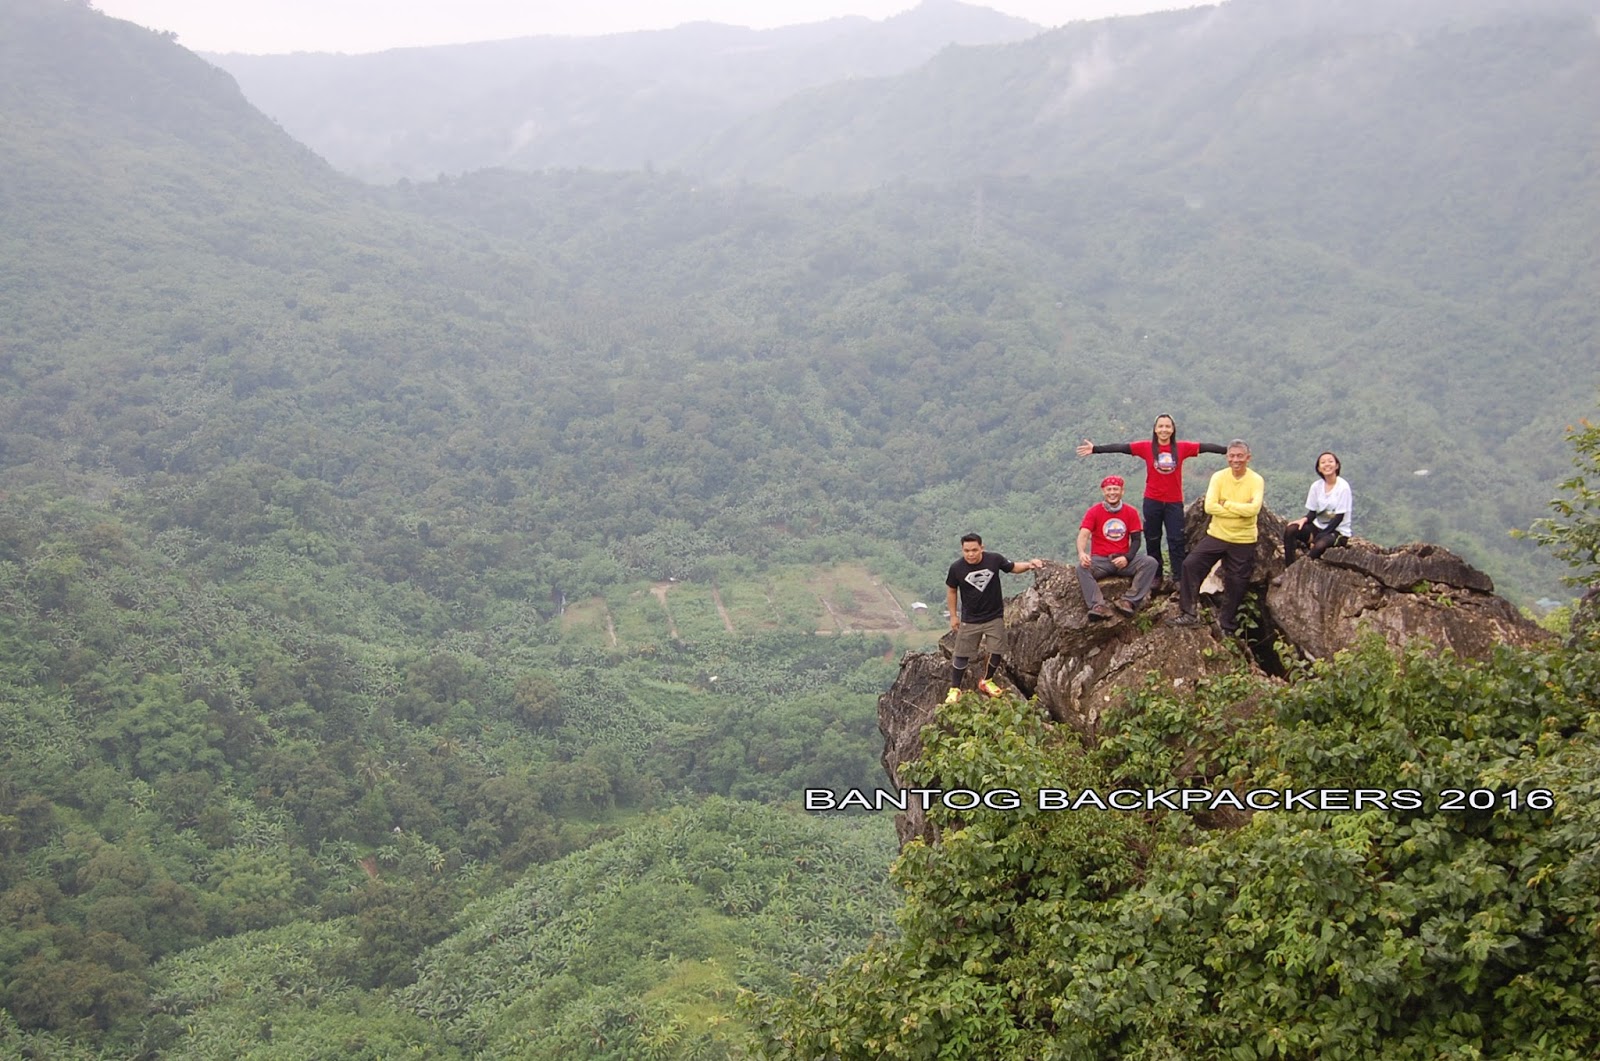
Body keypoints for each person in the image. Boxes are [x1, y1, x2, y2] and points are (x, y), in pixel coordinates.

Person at [1076, 415, 1229, 585]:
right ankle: (1156, 576)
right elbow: (1122, 448)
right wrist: (1096, 449)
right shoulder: (1146, 447)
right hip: (1152, 501)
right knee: (1153, 538)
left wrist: (1227, 450)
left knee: (1176, 540)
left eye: (1167, 426)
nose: (1164, 430)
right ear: (1155, 429)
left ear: (1172, 429)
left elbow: (1205, 447)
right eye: (1161, 426)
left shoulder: (1181, 448)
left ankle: (1178, 577)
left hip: (1174, 502)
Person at [1171, 440, 1263, 637]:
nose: (1235, 460)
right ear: (1227, 457)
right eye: (1232, 456)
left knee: (1237, 581)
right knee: (1191, 565)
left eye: (1240, 456)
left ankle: (1226, 625)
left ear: (1248, 458)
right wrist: (1240, 509)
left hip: (1243, 539)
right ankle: (1189, 613)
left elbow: (1254, 509)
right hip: (1217, 534)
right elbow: (1210, 507)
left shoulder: (1256, 480)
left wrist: (1226, 504)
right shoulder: (1219, 477)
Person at [945, 533, 1045, 702]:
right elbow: (952, 590)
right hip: (970, 618)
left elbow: (1013, 567)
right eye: (966, 550)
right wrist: (954, 615)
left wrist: (1030, 565)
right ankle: (955, 689)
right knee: (961, 653)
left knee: (996, 650)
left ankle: (987, 680)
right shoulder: (957, 568)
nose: (970, 554)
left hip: (993, 616)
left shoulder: (994, 560)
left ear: (981, 548)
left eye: (974, 550)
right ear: (962, 550)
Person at [1076, 475, 1159, 620]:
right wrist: (1082, 553)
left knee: (1150, 563)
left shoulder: (1130, 512)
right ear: (1103, 491)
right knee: (1081, 568)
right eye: (1109, 489)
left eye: (1116, 489)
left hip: (1122, 559)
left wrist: (1127, 558)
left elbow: (1136, 540)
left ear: (1122, 492)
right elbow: (1084, 534)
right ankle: (1098, 606)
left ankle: (1129, 601)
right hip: (1100, 560)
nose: (1112, 492)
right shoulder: (1094, 511)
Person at [1284, 451, 1353, 563]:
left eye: (1330, 461)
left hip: (1337, 531)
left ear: (1337, 465)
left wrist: (1319, 537)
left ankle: (1300, 569)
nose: (1327, 464)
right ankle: (1289, 567)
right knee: (1291, 530)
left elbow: (1339, 517)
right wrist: (1304, 520)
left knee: (1319, 546)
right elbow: (1313, 513)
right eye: (1323, 462)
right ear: (1319, 468)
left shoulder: (1343, 487)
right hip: (1318, 527)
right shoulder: (1316, 486)